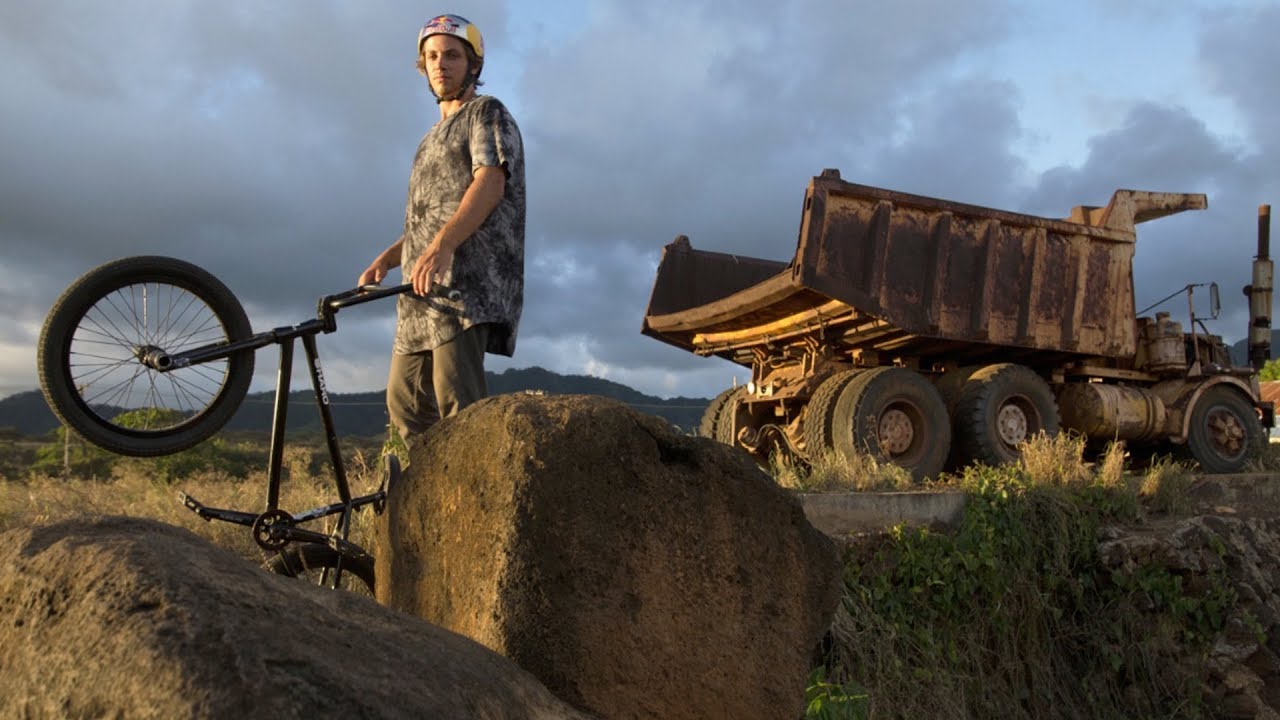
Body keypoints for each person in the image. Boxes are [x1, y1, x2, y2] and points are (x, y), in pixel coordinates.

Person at [359, 13, 525, 451]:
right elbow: (431, 218)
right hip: (419, 290)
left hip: (462, 286)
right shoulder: (429, 138)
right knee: (406, 405)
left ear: (474, 65)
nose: (440, 64)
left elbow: (490, 182)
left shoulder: (485, 113)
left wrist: (443, 246)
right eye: (431, 56)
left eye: (452, 55)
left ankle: (477, 502)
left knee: (458, 405)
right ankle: (435, 498)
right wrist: (389, 258)